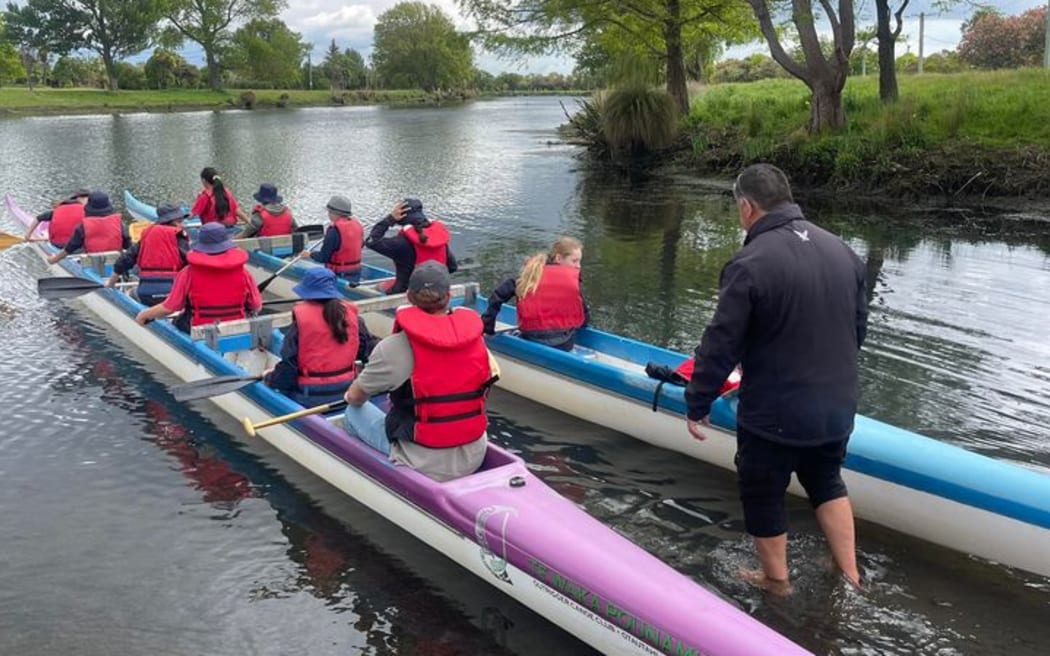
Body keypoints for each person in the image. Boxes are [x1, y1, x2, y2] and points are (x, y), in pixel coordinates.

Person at [683, 163, 868, 592]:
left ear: (747, 206)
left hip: (776, 410)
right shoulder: (844, 251)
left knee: (763, 490)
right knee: (826, 480)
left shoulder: (749, 263)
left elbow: (721, 342)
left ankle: (776, 583)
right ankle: (851, 574)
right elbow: (857, 330)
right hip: (837, 405)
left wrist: (698, 400)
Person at [342, 262, 497, 482]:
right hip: (474, 454)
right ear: (449, 295)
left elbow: (356, 397)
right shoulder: (476, 340)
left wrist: (348, 396)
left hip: (423, 463)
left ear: (409, 296)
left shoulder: (393, 347)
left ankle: (363, 474)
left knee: (353, 412)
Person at [263, 268, 379, 406]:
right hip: (346, 388)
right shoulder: (353, 318)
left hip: (310, 395)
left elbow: (289, 367)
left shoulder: (301, 323)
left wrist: (270, 378)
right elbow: (366, 351)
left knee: (276, 384)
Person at [135, 222, 262, 332]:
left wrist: (144, 315)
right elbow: (257, 306)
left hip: (198, 330)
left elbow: (171, 307)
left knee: (179, 320)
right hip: (234, 329)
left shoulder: (188, 273)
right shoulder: (243, 273)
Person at [480, 237, 589, 351]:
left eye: (579, 261)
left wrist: (488, 326)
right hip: (564, 345)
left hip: (531, 337)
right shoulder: (571, 282)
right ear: (558, 258)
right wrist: (583, 324)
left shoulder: (530, 275)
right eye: (574, 261)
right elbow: (583, 313)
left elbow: (497, 297)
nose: (578, 266)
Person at [364, 198, 458, 294]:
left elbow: (371, 242)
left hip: (407, 293)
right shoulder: (439, 240)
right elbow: (452, 267)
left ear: (401, 218)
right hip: (437, 291)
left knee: (378, 287)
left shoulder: (400, 243)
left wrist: (389, 219)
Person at [106, 203, 190, 306]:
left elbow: (124, 260)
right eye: (180, 221)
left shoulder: (147, 236)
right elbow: (190, 264)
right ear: (172, 222)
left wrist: (111, 283)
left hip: (147, 294)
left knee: (131, 293)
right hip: (174, 295)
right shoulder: (179, 237)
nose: (183, 224)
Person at [47, 191, 130, 264]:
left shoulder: (83, 226)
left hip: (93, 263)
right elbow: (127, 244)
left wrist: (53, 260)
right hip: (116, 260)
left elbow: (69, 248)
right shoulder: (119, 223)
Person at [304, 195, 364, 285]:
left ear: (334, 213)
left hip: (339, 274)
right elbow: (361, 245)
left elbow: (323, 257)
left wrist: (310, 254)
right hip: (356, 271)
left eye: (329, 212)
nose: (328, 214)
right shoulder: (357, 225)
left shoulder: (334, 231)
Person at [24, 188, 90, 247]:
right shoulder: (87, 211)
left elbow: (38, 218)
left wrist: (28, 235)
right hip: (73, 246)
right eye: (88, 199)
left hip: (56, 244)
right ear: (81, 199)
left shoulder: (58, 209)